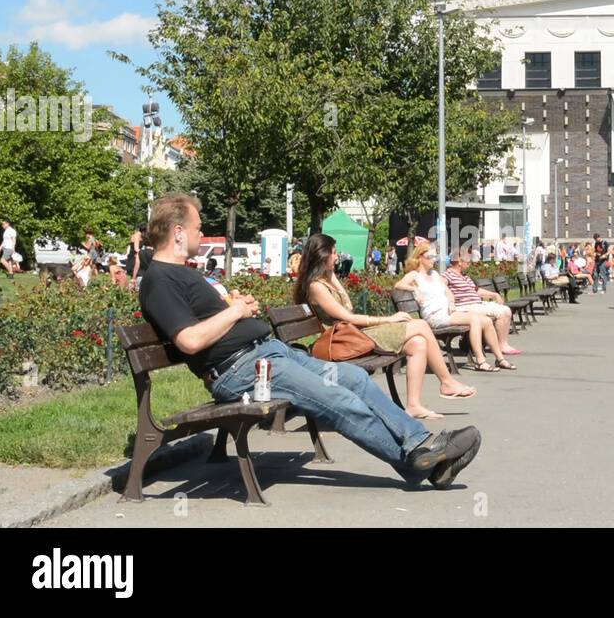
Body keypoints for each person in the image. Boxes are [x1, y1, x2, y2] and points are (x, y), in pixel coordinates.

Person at [139, 193, 482, 489]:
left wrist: (235, 309)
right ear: (178, 232)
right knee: (337, 399)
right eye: (198, 226)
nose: (202, 230)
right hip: (242, 370)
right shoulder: (159, 279)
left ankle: (420, 444)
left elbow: (205, 322)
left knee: (354, 379)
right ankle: (420, 460)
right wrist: (236, 311)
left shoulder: (183, 272)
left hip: (267, 354)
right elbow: (189, 340)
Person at [299, 235, 476, 421]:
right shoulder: (316, 286)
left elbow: (348, 306)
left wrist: (332, 275)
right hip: (344, 341)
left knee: (418, 343)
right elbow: (347, 317)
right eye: (333, 253)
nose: (337, 257)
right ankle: (447, 382)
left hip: (353, 334)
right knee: (421, 325)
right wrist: (389, 320)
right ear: (322, 255)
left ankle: (414, 405)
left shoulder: (326, 280)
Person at [395, 244, 515, 373]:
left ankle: (500, 358)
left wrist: (451, 303)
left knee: (486, 320)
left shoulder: (435, 274)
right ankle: (481, 361)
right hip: (434, 316)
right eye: (430, 257)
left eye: (435, 256)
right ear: (420, 258)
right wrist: (414, 289)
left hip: (447, 312)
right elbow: (398, 284)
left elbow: (448, 293)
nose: (434, 260)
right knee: (475, 320)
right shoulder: (415, 275)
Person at [443, 249, 521, 356]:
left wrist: (494, 295)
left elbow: (477, 290)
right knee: (503, 311)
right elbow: (440, 287)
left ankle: (501, 343)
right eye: (468, 262)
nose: (469, 264)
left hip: (476, 305)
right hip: (464, 307)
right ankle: (502, 345)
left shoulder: (464, 276)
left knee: (505, 310)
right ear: (459, 262)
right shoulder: (448, 275)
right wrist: (450, 301)